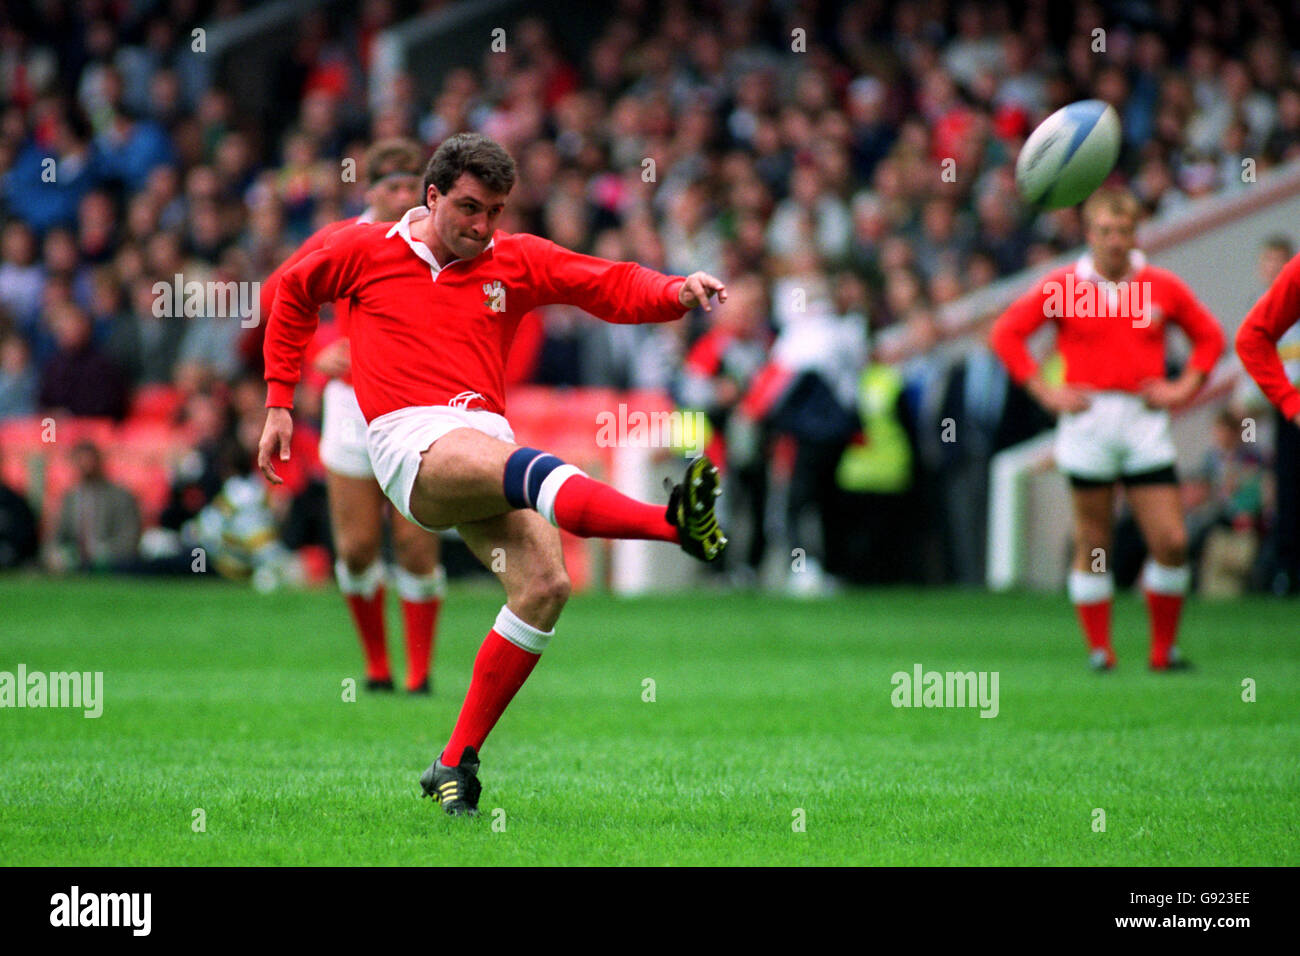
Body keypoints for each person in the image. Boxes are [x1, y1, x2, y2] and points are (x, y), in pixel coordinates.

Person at [257, 132, 727, 816]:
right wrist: (278, 400)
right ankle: (672, 524)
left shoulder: (515, 259)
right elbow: (294, 293)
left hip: (482, 441)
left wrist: (675, 290)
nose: (482, 227)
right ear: (433, 195)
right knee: (523, 472)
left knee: (545, 585)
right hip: (408, 441)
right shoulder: (362, 248)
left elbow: (605, 283)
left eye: (496, 212)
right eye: (470, 209)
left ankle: (455, 763)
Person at [989, 187, 1224, 671]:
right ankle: (1101, 649)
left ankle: (1163, 650)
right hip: (1088, 419)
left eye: (1124, 231)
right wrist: (1045, 391)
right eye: (1105, 231)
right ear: (1088, 233)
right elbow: (1006, 333)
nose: (1115, 241)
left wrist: (1184, 390)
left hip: (1142, 421)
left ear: (1136, 233)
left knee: (1172, 541)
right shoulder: (1063, 286)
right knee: (1094, 541)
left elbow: (1210, 337)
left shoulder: (1160, 285)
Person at [260, 139, 446, 693]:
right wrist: (318, 351)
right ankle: (377, 665)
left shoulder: (440, 241)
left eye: (409, 185)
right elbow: (279, 294)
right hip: (350, 405)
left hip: (419, 400)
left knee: (415, 543)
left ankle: (419, 672)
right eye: (390, 185)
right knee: (359, 545)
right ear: (369, 191)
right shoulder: (343, 239)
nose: (400, 194)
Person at [1234, 237, 1300, 594]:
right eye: (1268, 262)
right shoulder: (1263, 306)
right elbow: (1251, 346)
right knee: (1287, 490)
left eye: (1279, 261)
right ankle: (1285, 572)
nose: (1274, 268)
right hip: (1286, 411)